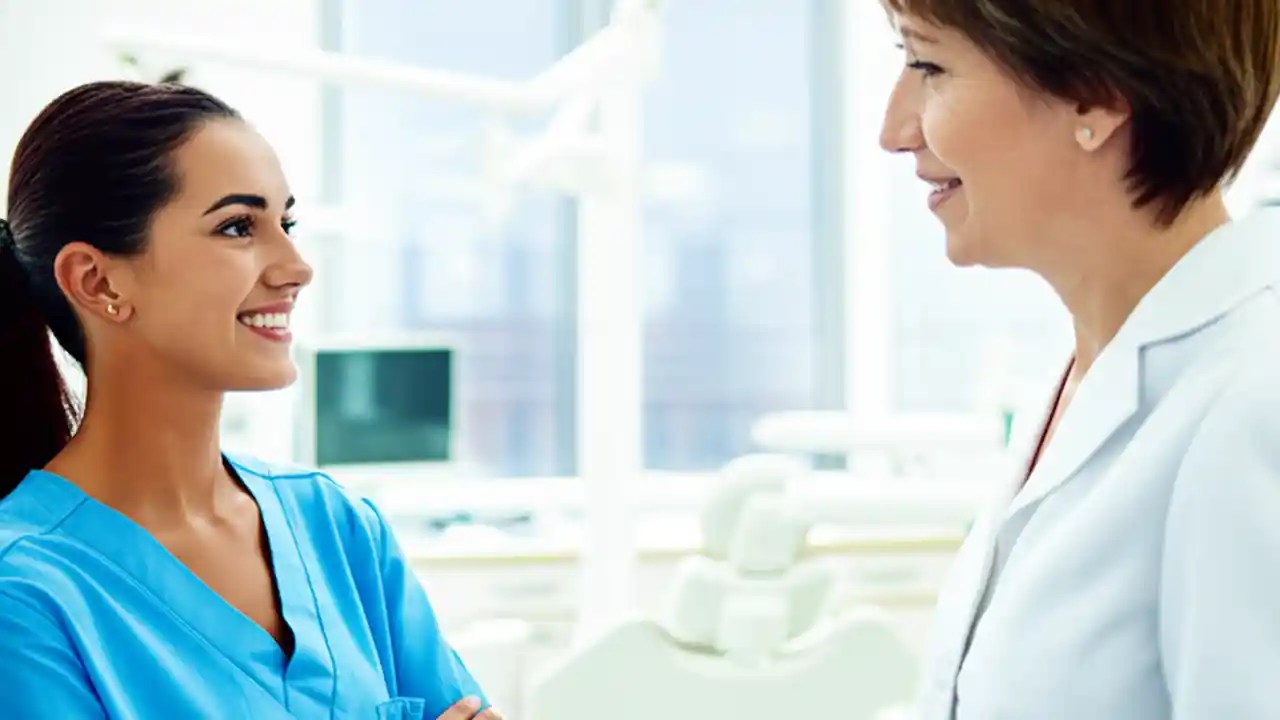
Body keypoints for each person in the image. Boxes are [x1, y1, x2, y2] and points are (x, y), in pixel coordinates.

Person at [0, 81, 501, 720]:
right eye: (238, 226)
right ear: (97, 282)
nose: (296, 265)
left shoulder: (338, 527)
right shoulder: (26, 595)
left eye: (285, 223)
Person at [878, 1, 1280, 718]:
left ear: (1095, 94)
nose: (894, 129)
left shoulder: (1251, 404)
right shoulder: (1094, 371)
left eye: (927, 66)